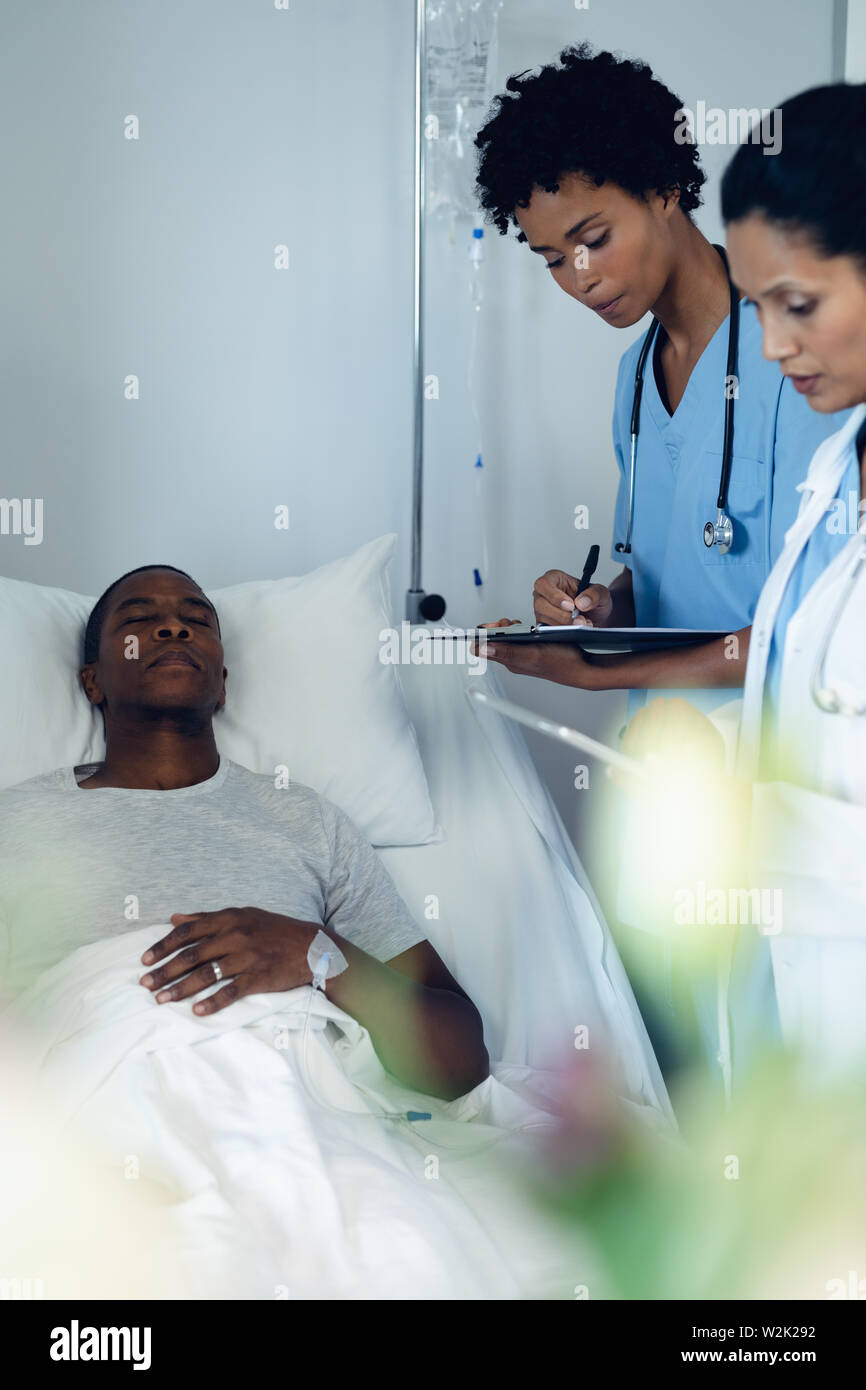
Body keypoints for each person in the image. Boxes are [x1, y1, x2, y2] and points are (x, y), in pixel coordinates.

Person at [471, 43, 850, 1090]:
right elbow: (661, 564)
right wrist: (594, 606)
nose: (577, 277)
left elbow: (805, 633)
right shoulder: (638, 378)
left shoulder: (807, 369)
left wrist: (595, 670)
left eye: (591, 238)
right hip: (665, 769)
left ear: (667, 187)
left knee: (768, 1079)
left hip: (768, 771)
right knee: (674, 1072)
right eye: (550, 258)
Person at [0, 563, 489, 1101]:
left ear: (223, 684)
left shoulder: (309, 822)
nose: (173, 629)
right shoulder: (16, 822)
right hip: (87, 1116)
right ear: (92, 680)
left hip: (288, 1115)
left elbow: (462, 1063)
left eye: (196, 621)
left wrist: (314, 952)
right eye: (139, 619)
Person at [622, 81, 866, 1089]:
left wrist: (745, 820)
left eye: (797, 305)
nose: (768, 346)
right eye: (758, 305)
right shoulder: (831, 476)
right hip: (803, 1018)